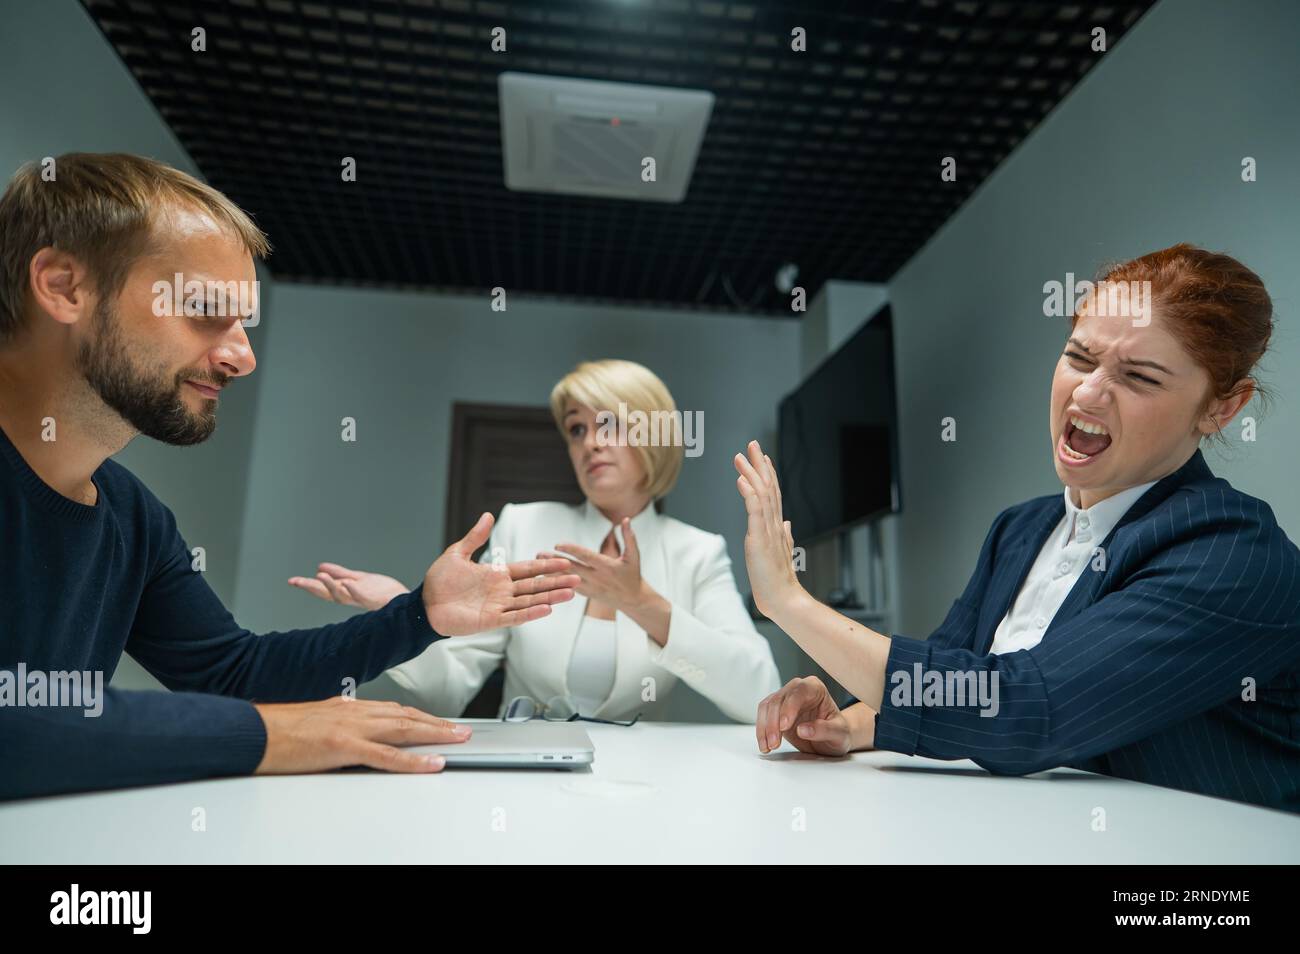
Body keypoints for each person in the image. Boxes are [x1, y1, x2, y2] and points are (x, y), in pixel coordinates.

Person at [0, 153, 579, 800]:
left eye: (243, 323)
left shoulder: (131, 518)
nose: (242, 357)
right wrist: (268, 735)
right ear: (64, 287)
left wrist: (419, 615)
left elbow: (232, 674)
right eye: (205, 307)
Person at [737, 244, 1300, 812]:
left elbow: (1027, 709)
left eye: (1139, 377)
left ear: (1222, 409)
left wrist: (788, 601)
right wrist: (853, 722)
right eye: (1079, 356)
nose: (1087, 392)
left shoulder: (1235, 555)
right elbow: (953, 664)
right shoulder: (1022, 527)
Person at [290, 359, 780, 722]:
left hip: (636, 789)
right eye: (577, 429)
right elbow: (449, 688)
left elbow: (758, 692)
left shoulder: (698, 552)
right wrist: (401, 609)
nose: (590, 442)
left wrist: (643, 603)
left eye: (608, 423)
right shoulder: (524, 526)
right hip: (522, 781)